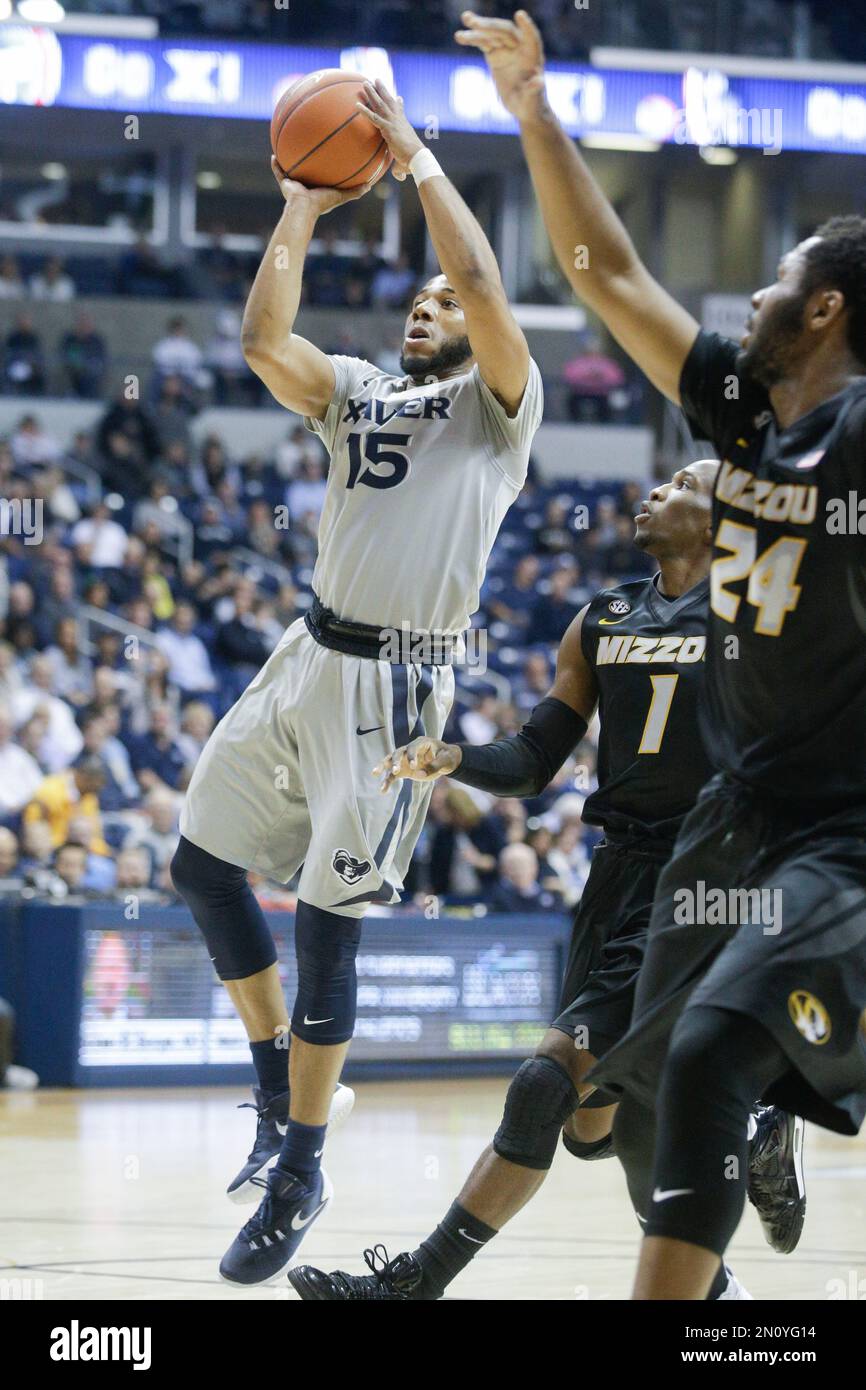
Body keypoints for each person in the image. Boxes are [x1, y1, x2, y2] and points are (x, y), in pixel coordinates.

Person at [458, 9, 866, 1301]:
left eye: (768, 280)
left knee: (705, 1053)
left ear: (822, 306)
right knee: (653, 1070)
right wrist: (532, 107)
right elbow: (603, 272)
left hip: (846, 828)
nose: (740, 299)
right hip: (733, 819)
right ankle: (769, 1131)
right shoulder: (746, 418)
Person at [170, 76, 543, 1286]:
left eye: (448, 298)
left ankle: (304, 1163)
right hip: (305, 655)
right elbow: (261, 343)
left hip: (397, 689)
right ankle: (274, 1088)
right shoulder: (362, 391)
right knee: (200, 860)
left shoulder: (498, 411)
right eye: (421, 298)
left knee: (331, 933)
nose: (435, 303)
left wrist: (417, 157)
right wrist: (301, 204)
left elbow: (484, 284)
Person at [288, 462, 803, 1300]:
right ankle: (738, 1219)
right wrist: (454, 757)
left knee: (543, 1085)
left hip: (704, 879)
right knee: (602, 1133)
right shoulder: (601, 619)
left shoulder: (766, 616)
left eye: (680, 483)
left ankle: (414, 1286)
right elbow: (534, 760)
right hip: (616, 878)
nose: (652, 491)